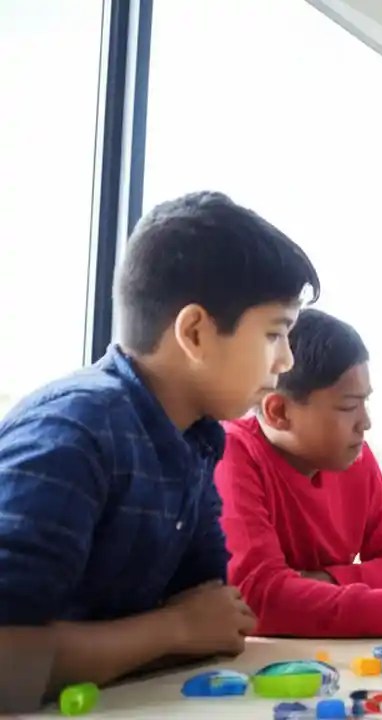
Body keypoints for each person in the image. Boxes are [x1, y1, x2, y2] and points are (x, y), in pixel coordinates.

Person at [0, 192, 316, 702]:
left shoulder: (194, 438)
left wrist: (184, 628)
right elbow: (6, 661)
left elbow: (217, 617)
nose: (286, 362)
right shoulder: (75, 433)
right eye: (274, 334)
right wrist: (173, 629)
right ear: (195, 332)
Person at [214, 309, 382, 638]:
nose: (365, 422)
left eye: (365, 402)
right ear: (279, 411)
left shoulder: (354, 457)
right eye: (349, 406)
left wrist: (323, 581)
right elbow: (256, 599)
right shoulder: (229, 453)